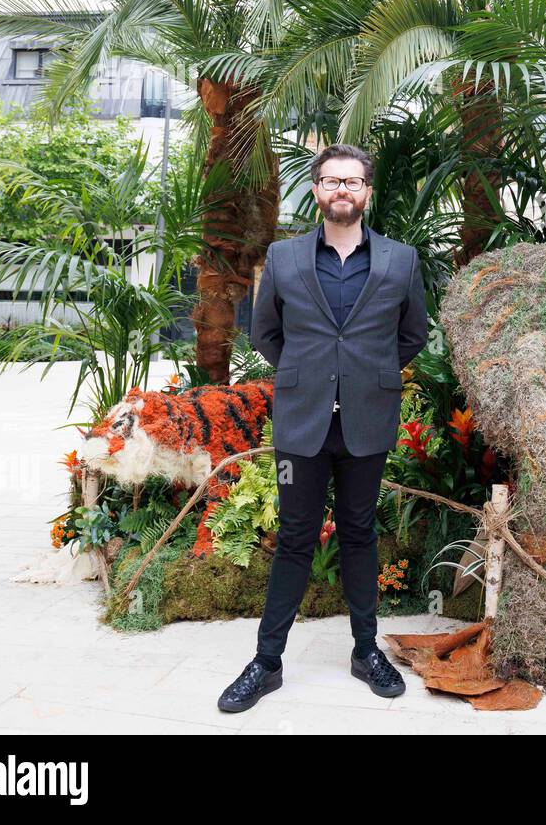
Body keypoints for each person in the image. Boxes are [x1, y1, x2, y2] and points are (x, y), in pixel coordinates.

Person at [216, 144, 428, 714]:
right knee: (294, 539)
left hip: (367, 421)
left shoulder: (400, 260)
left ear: (367, 192)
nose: (342, 190)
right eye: (331, 180)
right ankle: (266, 663)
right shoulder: (283, 259)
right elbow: (266, 334)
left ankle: (366, 651)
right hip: (301, 423)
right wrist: (309, 373)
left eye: (353, 181)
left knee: (360, 533)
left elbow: (413, 335)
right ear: (316, 190)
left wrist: (368, 373)